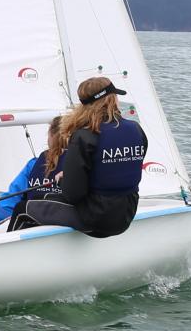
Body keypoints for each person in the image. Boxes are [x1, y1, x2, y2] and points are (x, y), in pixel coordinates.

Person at [18, 77, 149, 237]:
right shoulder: (136, 129)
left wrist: (68, 179)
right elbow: (123, 167)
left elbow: (73, 195)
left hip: (95, 220)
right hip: (127, 214)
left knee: (23, 208)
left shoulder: (84, 136)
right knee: (44, 197)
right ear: (112, 99)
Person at [0, 117, 66, 234]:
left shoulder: (33, 165)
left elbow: (10, 202)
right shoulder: (82, 165)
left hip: (33, 228)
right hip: (66, 228)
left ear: (51, 136)